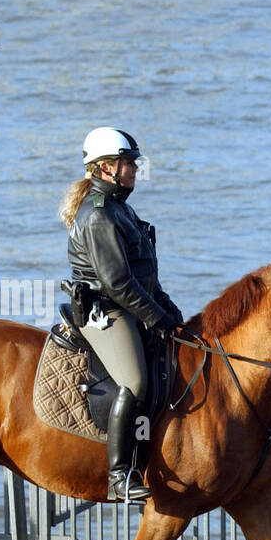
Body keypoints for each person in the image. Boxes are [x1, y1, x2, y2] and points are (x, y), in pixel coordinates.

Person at [58, 127, 183, 502]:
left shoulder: (121, 210)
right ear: (104, 168)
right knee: (135, 381)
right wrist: (157, 318)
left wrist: (171, 313)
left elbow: (145, 274)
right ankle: (119, 475)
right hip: (106, 312)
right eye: (128, 163)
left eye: (132, 163)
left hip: (128, 304)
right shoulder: (99, 217)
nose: (134, 170)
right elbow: (119, 285)